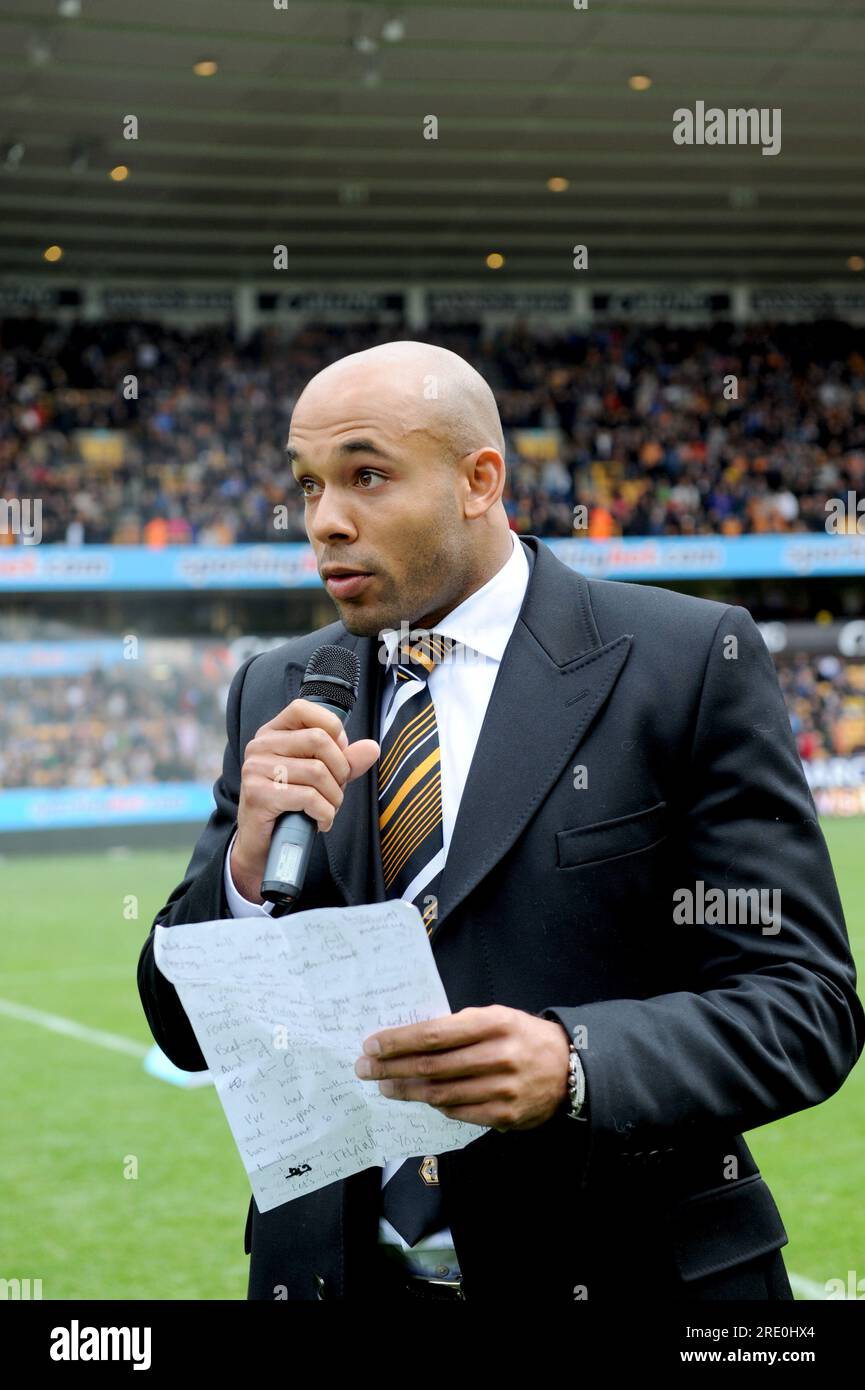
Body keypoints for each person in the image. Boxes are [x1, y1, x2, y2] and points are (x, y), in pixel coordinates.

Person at [138, 340, 865, 1302]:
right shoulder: (276, 688)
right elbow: (186, 1032)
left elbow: (802, 1005)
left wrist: (573, 1064)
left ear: (480, 479)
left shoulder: (686, 662)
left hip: (627, 1271)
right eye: (308, 485)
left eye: (365, 476)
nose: (325, 521)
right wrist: (240, 871)